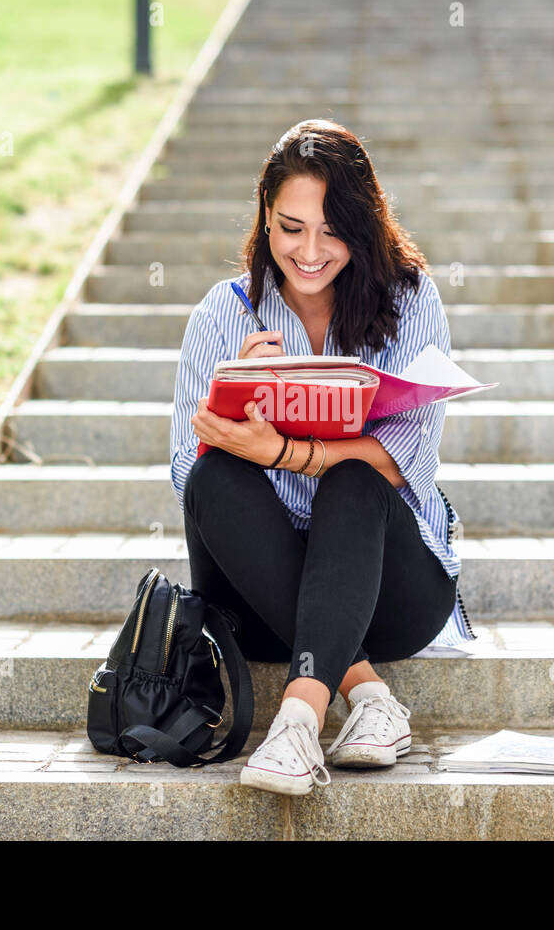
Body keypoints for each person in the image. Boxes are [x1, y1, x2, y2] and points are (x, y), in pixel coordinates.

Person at [168, 118, 474, 797]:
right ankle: (368, 696)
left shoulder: (410, 299)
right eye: (291, 227)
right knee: (215, 474)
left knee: (357, 477)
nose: (309, 252)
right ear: (265, 220)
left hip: (392, 595)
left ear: (364, 227)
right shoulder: (224, 314)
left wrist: (285, 449)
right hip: (257, 599)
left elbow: (407, 460)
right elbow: (186, 475)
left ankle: (298, 720)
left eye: (331, 230)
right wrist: (232, 405)